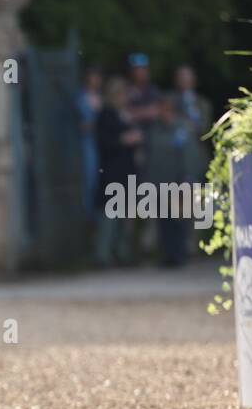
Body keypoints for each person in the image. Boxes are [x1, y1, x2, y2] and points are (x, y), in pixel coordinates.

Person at [144, 93, 204, 267]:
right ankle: (168, 255)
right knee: (164, 223)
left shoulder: (182, 129)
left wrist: (188, 178)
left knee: (180, 221)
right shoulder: (155, 129)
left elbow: (191, 155)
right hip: (159, 183)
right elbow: (151, 156)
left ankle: (179, 255)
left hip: (179, 181)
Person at [95, 76, 144, 266]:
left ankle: (122, 253)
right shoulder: (106, 114)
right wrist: (125, 140)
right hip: (111, 171)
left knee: (126, 216)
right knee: (110, 216)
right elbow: (104, 142)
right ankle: (103, 255)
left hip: (126, 171)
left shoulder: (125, 114)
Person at [76, 67, 103, 226]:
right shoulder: (81, 98)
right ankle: (88, 218)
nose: (96, 80)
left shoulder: (102, 97)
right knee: (90, 179)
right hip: (88, 144)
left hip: (100, 144)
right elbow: (81, 125)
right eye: (93, 77)